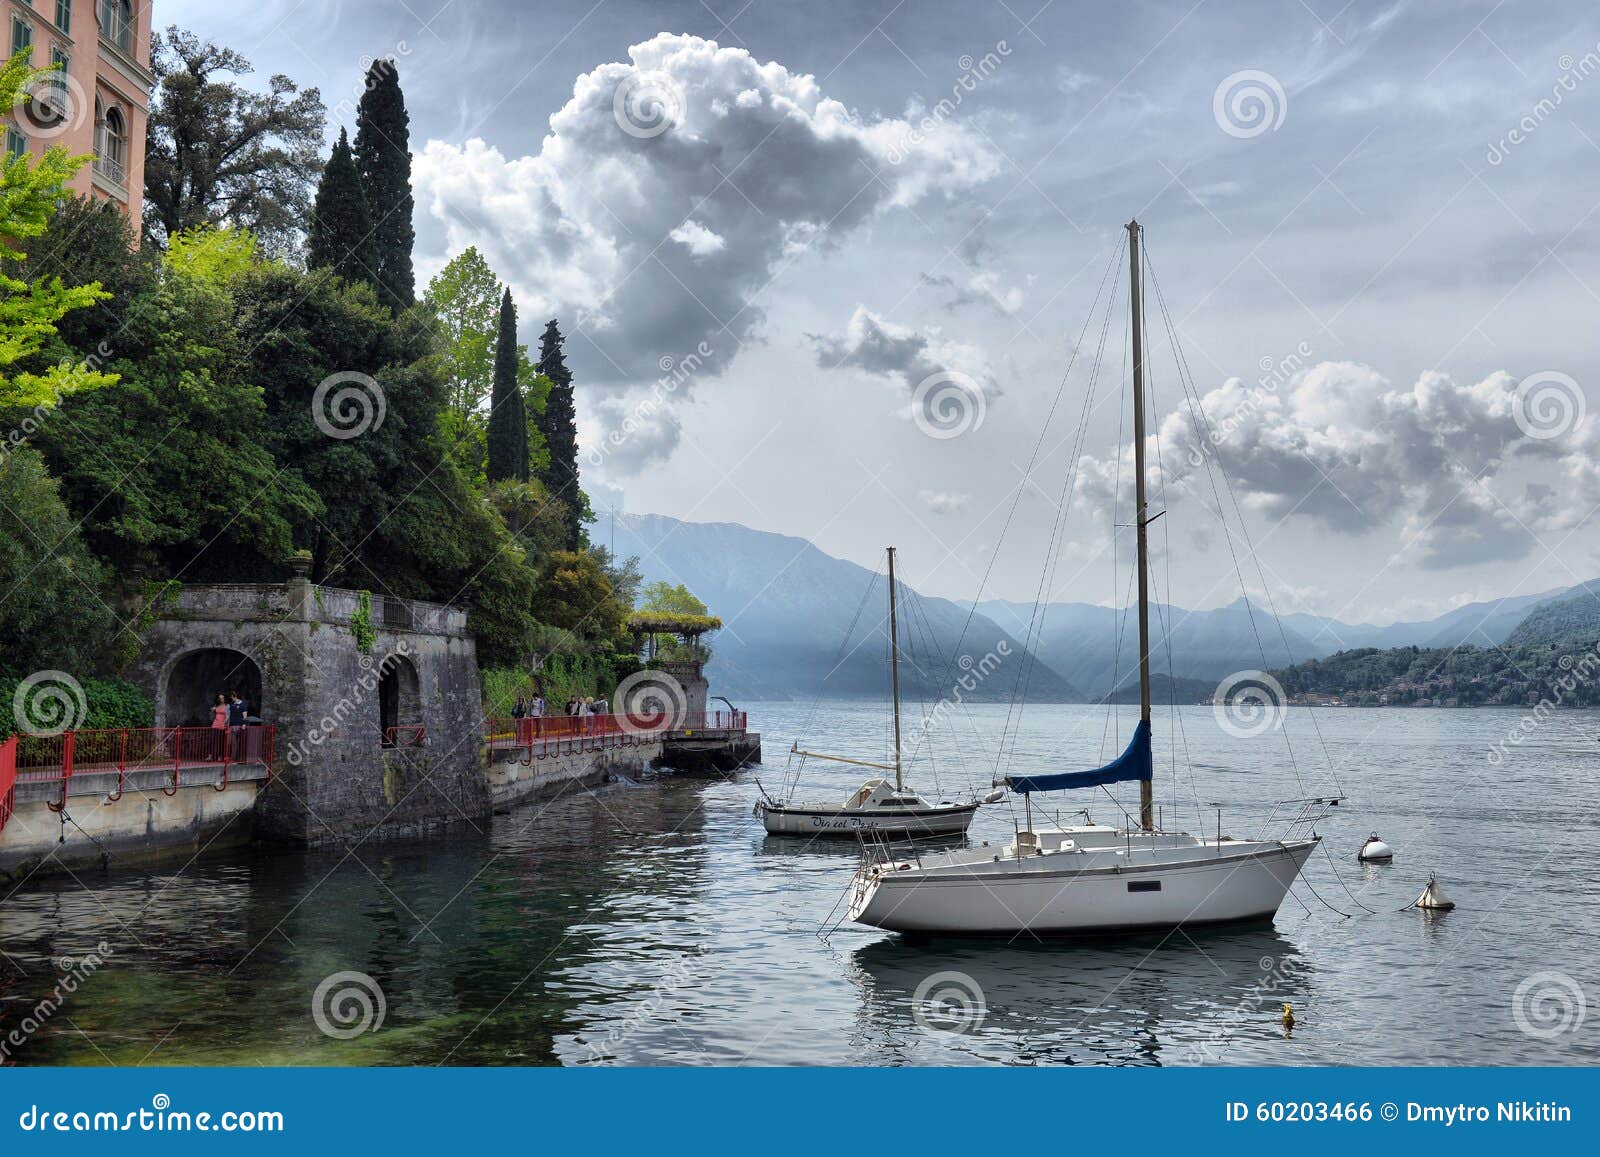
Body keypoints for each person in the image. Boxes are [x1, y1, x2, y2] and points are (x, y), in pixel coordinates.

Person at [210, 693, 228, 760]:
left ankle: (220, 756)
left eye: (222, 698)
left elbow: (228, 716)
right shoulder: (216, 705)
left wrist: (225, 723)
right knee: (213, 740)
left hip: (222, 724)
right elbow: (212, 714)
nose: (221, 699)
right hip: (215, 723)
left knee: (220, 741)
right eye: (220, 698)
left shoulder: (227, 706)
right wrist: (213, 710)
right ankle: (213, 755)